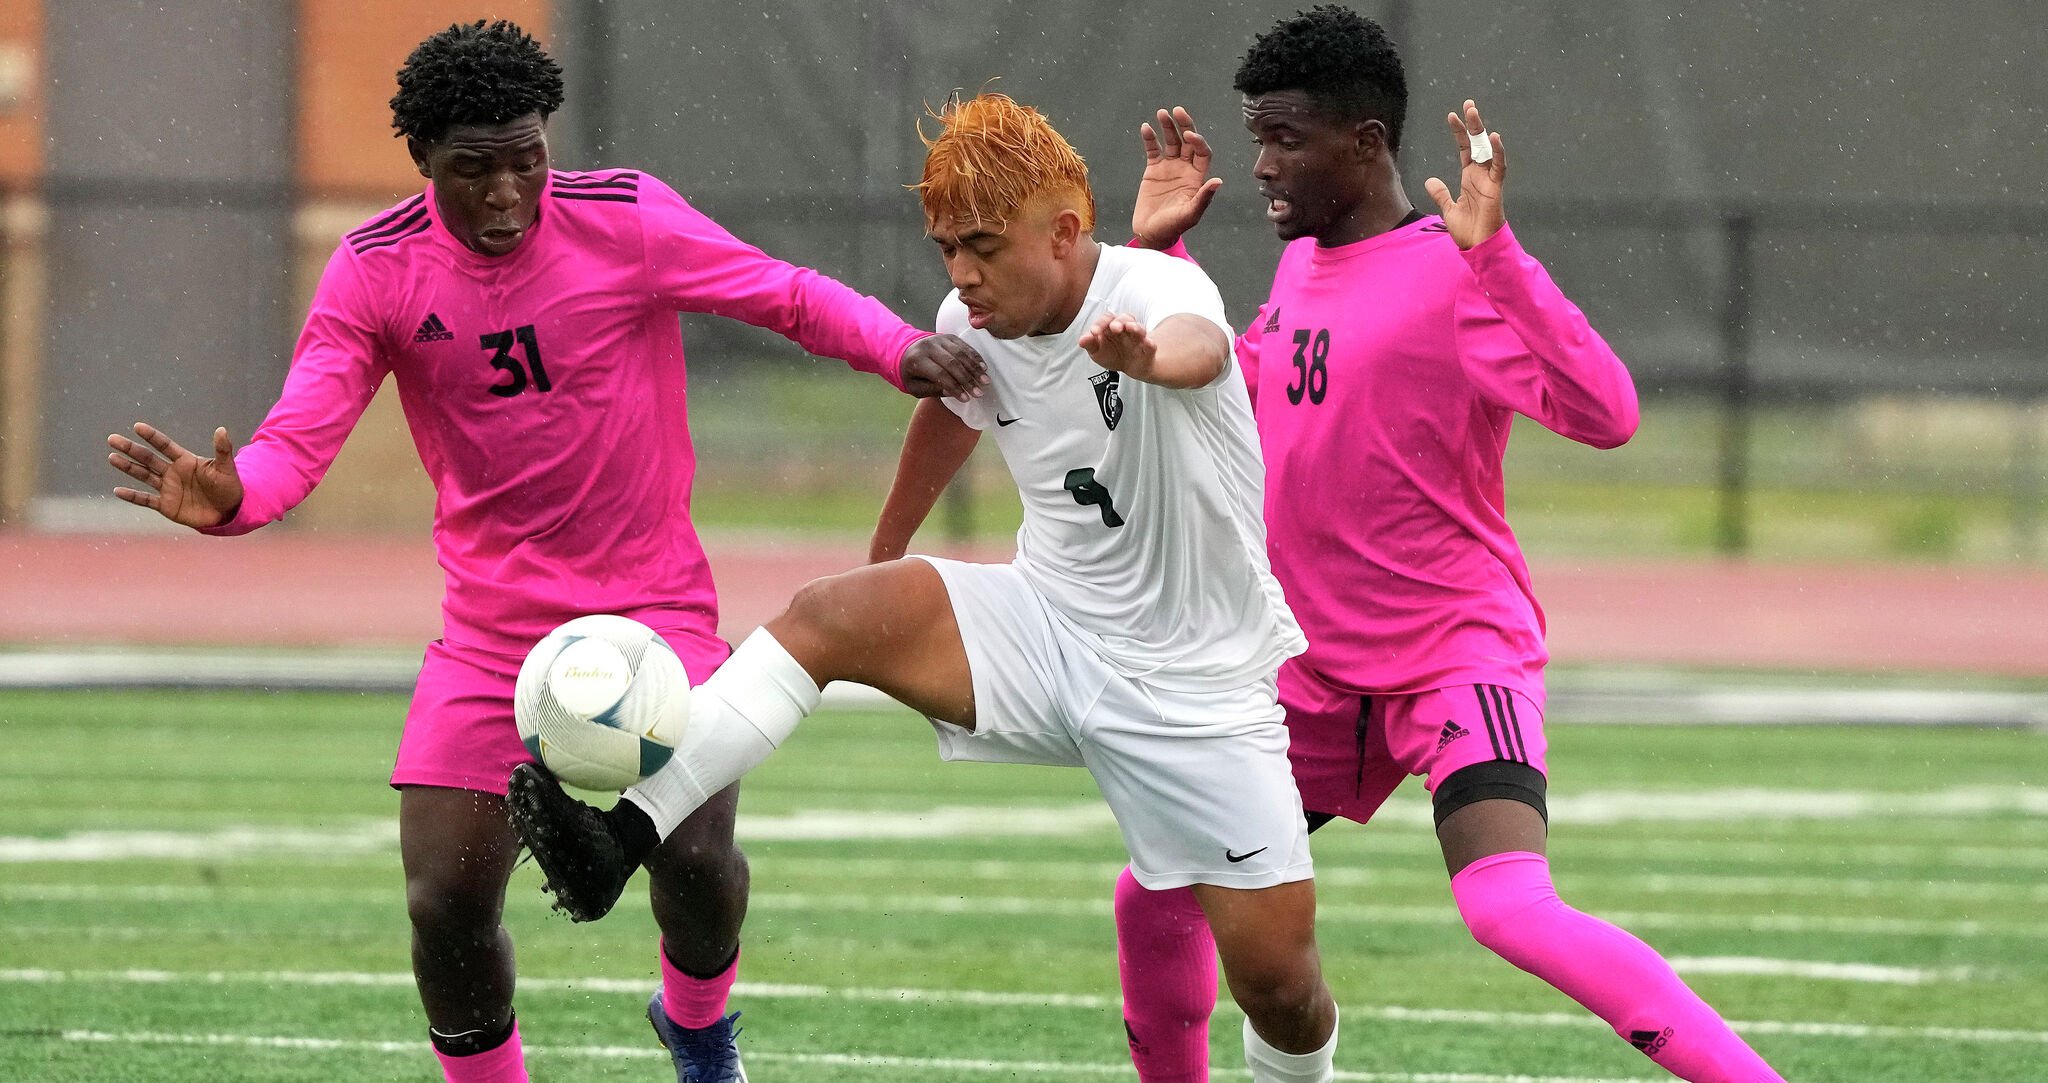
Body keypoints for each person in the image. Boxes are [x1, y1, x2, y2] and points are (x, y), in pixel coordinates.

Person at [103, 20, 985, 1083]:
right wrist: (235, 501)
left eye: (528, 160)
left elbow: (785, 295)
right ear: (424, 160)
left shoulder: (627, 218)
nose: (509, 194)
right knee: (444, 903)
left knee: (696, 860)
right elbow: (300, 436)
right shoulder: (374, 272)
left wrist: (898, 348)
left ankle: (699, 1037)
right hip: (490, 634)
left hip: (654, 611)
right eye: (475, 171)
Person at [508, 90, 1348, 1083]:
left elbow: (1198, 348)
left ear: (1065, 232)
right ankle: (625, 833)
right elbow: (956, 406)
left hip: (1196, 690)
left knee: (1282, 995)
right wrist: (889, 549)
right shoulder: (972, 314)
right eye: (946, 248)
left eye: (981, 246)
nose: (959, 275)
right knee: (825, 618)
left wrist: (1148, 362)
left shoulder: (1158, 294)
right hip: (1044, 630)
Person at [1105, 8, 1788, 1083]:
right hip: (1312, 677)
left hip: (1452, 657)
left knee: (1508, 909)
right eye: (1256, 138)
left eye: (1285, 139)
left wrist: (1500, 259)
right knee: (1154, 896)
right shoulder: (1294, 273)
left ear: (1366, 143)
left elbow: (1606, 411)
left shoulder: (1456, 273)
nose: (1262, 166)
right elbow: (1232, 407)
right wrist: (1157, 258)